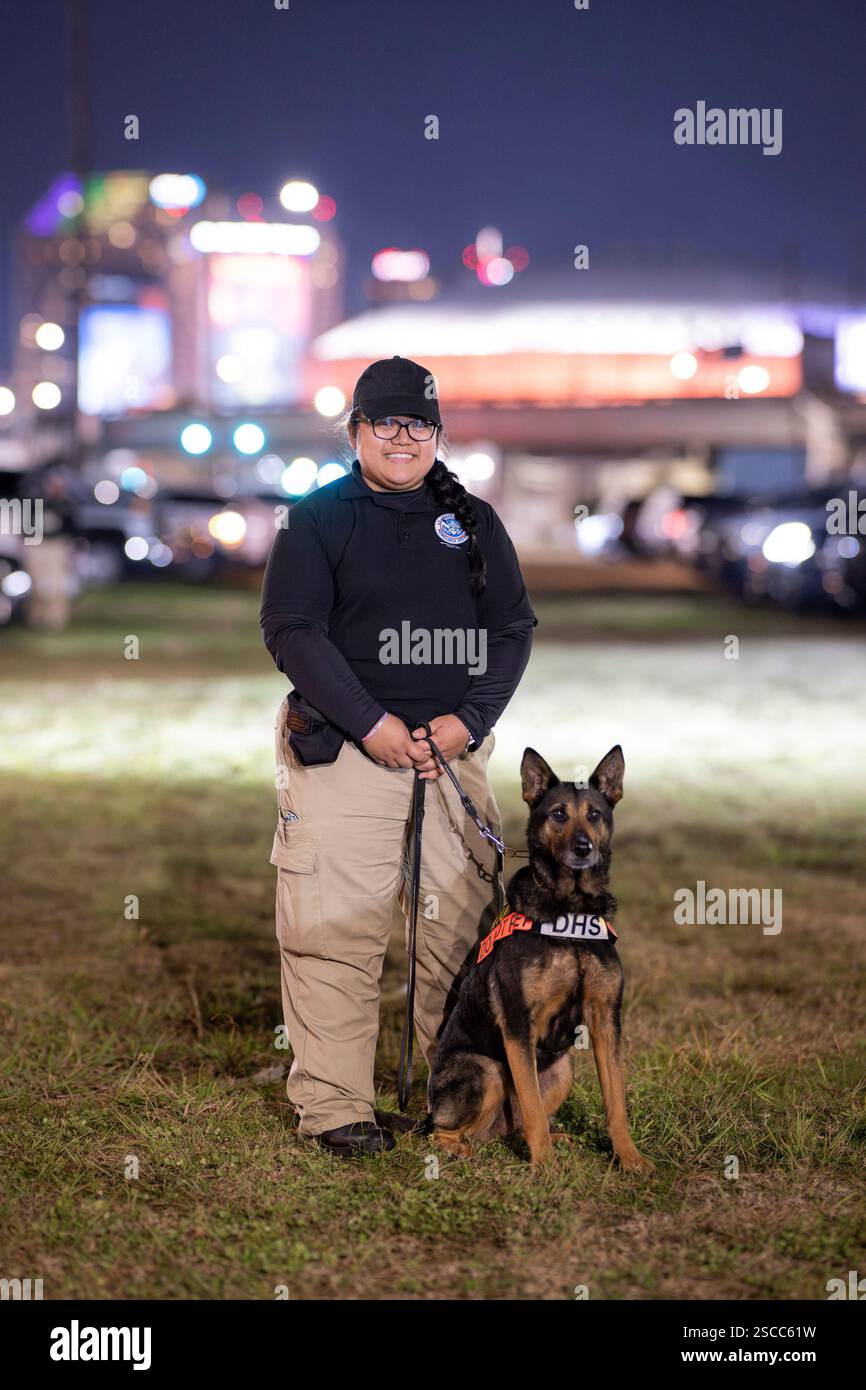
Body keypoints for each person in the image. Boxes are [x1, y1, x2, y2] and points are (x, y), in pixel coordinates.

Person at [260, 356, 536, 1156]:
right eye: (385, 422)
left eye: (418, 423)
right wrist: (370, 721)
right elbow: (293, 630)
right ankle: (337, 1107)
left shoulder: (473, 519)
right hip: (345, 749)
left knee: (458, 935)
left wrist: (469, 720)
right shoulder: (313, 520)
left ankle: (456, 1099)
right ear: (355, 432)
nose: (403, 437)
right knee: (335, 930)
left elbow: (513, 627)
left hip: (451, 756)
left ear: (437, 433)